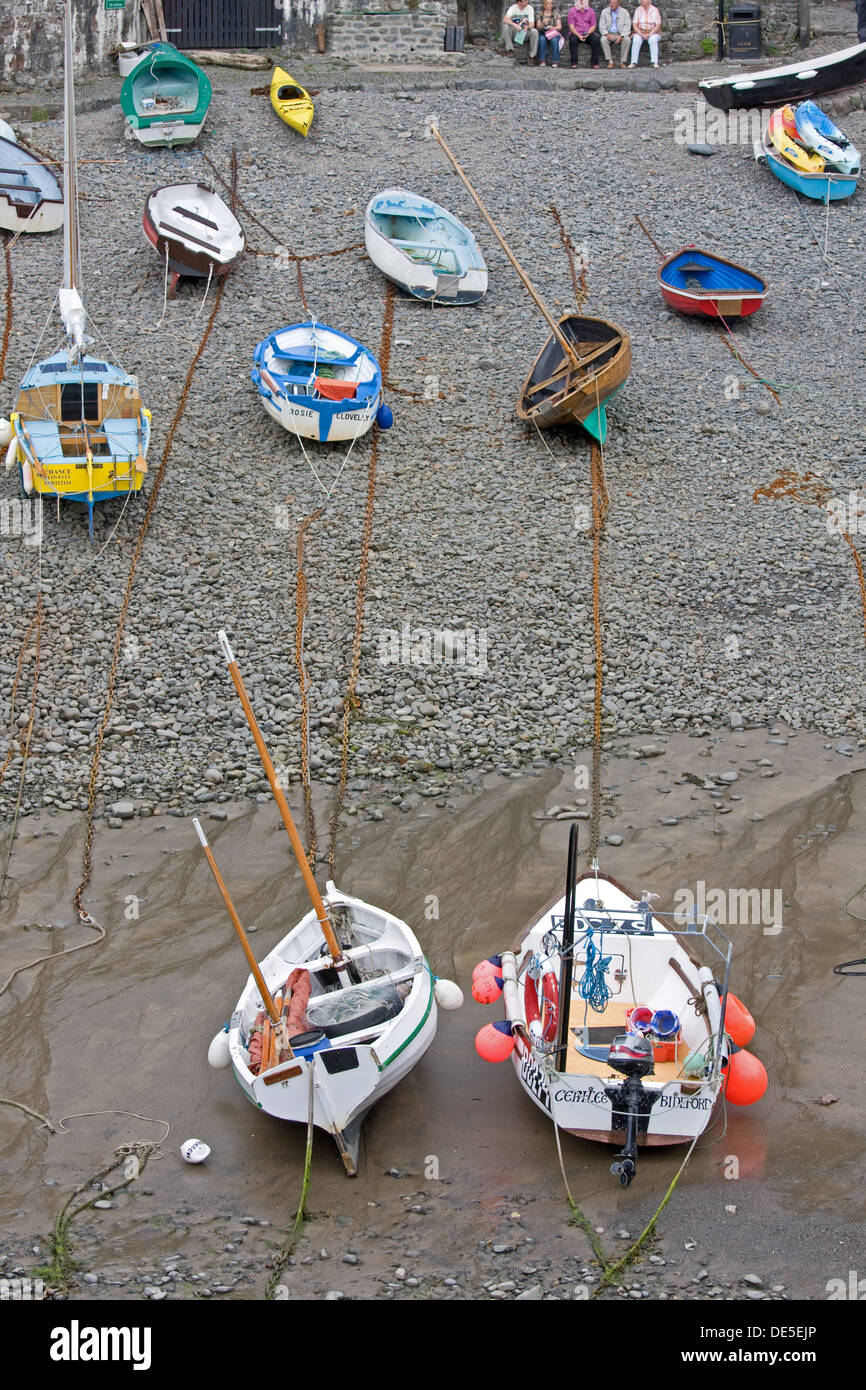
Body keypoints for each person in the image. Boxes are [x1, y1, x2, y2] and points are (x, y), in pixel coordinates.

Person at [567, 0, 601, 66]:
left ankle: (595, 64)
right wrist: (578, 35)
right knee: (572, 40)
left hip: (588, 32)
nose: (581, 2)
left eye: (583, 0)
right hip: (576, 32)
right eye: (580, 0)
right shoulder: (572, 11)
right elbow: (571, 26)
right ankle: (574, 63)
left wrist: (588, 33)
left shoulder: (591, 11)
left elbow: (593, 25)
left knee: (596, 40)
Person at [599, 0, 631, 65]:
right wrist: (607, 35)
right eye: (610, 2)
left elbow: (628, 26)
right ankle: (610, 61)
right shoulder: (605, 12)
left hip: (620, 34)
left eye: (613, 3)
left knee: (627, 40)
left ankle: (622, 62)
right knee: (603, 40)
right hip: (609, 33)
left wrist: (621, 36)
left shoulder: (624, 12)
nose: (611, 4)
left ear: (618, 3)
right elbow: (601, 26)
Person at [629, 1, 661, 66]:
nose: (641, 1)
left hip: (653, 32)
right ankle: (633, 62)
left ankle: (655, 62)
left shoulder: (655, 10)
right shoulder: (638, 10)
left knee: (653, 39)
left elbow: (658, 25)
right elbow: (634, 24)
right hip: (640, 31)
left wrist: (650, 33)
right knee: (636, 39)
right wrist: (640, 33)